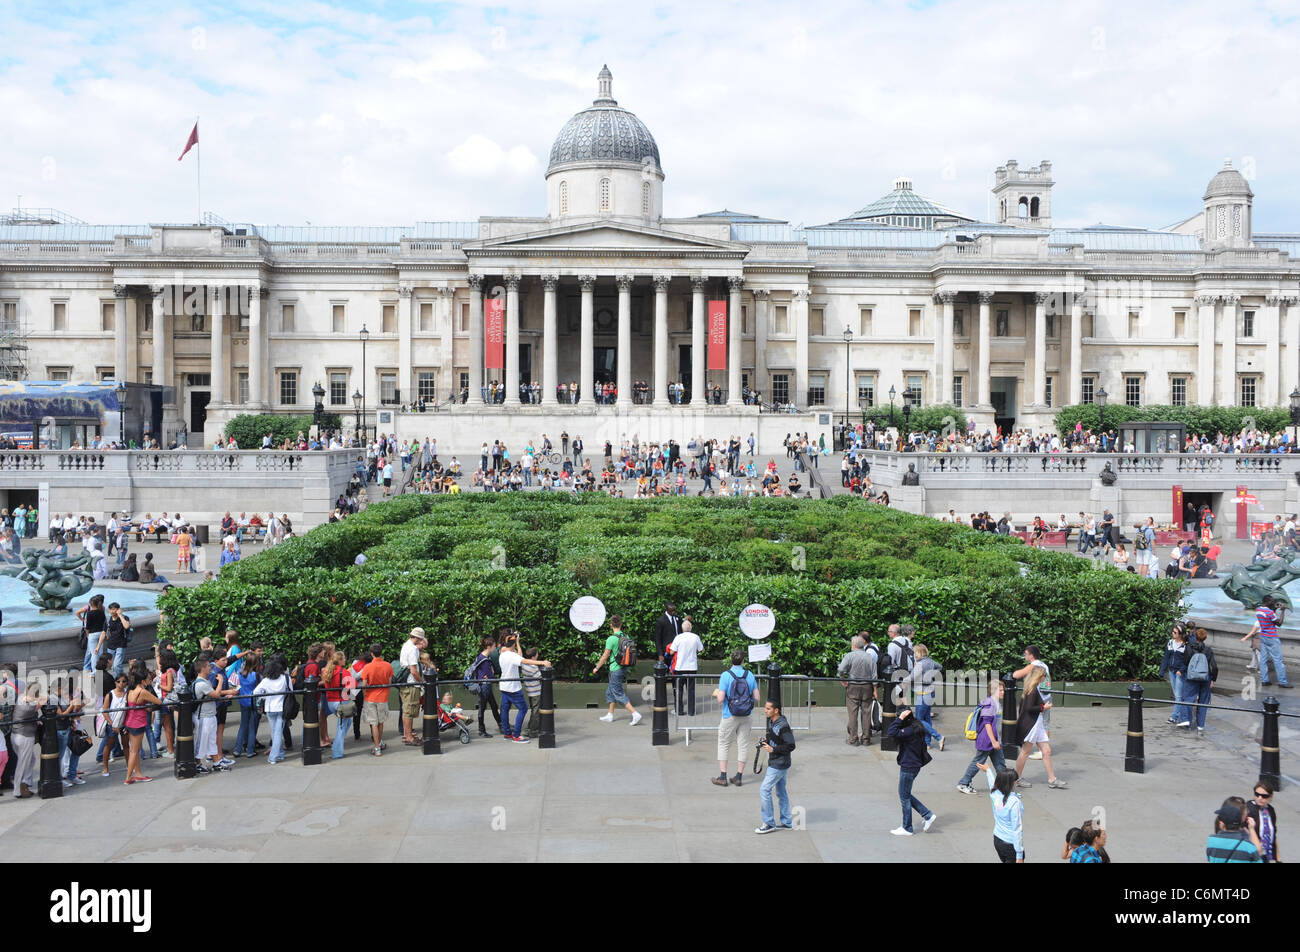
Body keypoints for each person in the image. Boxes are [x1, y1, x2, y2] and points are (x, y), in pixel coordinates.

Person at [1013, 651, 1067, 788]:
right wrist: (1044, 707)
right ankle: (1016, 778)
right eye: (1044, 676)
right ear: (1039, 676)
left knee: (1046, 751)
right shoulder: (1033, 690)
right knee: (1025, 752)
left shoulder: (1032, 688)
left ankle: (1052, 779)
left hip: (1036, 723)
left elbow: (1024, 708)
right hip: (1032, 724)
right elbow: (1030, 708)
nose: (1045, 679)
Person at [887, 704, 938, 836]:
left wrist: (899, 719)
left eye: (899, 716)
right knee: (906, 794)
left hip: (909, 766)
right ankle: (927, 815)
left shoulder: (909, 730)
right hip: (913, 765)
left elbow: (891, 732)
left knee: (904, 796)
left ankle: (907, 827)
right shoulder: (916, 725)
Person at [713, 649, 759, 787]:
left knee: (724, 744)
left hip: (729, 715)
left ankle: (723, 776)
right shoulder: (749, 675)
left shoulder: (726, 675)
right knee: (743, 745)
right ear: (743, 661)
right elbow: (757, 697)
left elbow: (721, 699)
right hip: (746, 714)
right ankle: (738, 776)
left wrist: (717, 694)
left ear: (731, 660)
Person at [754, 698, 796, 834]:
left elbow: (790, 745)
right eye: (765, 708)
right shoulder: (772, 721)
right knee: (781, 792)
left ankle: (769, 823)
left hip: (779, 764)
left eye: (768, 709)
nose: (765, 711)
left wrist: (774, 750)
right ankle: (787, 821)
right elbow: (776, 739)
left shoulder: (783, 725)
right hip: (778, 762)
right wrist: (766, 741)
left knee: (764, 790)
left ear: (776, 710)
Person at [957, 679, 1007, 794]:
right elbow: (987, 723)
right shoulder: (990, 704)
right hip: (987, 740)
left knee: (1000, 763)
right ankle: (964, 783)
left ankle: (1004, 786)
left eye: (1003, 690)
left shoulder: (996, 703)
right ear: (993, 691)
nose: (1003, 692)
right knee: (979, 761)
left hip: (994, 740)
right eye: (1000, 690)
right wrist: (994, 741)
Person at [593, 614, 641, 725]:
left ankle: (635, 714)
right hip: (623, 668)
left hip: (615, 669)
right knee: (610, 691)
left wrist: (596, 667)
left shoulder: (611, 639)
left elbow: (605, 656)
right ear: (621, 624)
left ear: (611, 625)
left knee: (618, 693)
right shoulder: (626, 636)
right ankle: (610, 715)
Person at [976, 762, 1024, 862]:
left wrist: (988, 771)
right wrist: (1019, 854)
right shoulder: (1014, 802)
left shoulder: (995, 794)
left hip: (998, 840)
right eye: (1016, 780)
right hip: (1011, 844)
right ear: (1011, 783)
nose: (1016, 782)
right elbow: (1017, 828)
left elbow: (991, 784)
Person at [837, 633, 878, 746]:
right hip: (867, 687)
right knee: (866, 713)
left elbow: (841, 669)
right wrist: (875, 690)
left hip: (853, 686)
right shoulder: (870, 657)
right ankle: (866, 739)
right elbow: (874, 676)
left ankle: (853, 739)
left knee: (852, 713)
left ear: (854, 645)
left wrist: (842, 679)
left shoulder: (849, 656)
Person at [1243, 595, 1291, 688]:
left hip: (1263, 636)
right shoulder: (1270, 612)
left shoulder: (1259, 610)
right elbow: (1279, 623)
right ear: (1268, 602)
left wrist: (1275, 610)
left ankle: (1265, 680)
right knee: (1278, 660)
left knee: (1263, 660)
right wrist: (1283, 611)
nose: (1273, 603)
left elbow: (1269, 619)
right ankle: (1282, 682)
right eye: (1272, 601)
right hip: (1272, 638)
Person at [123, 667, 161, 784]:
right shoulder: (143, 692)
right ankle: (128, 778)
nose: (150, 680)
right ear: (143, 681)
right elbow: (158, 702)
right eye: (149, 678)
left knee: (135, 749)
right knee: (134, 751)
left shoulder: (130, 691)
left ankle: (138, 773)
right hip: (137, 723)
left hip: (129, 722)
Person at [358, 643, 394, 756]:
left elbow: (364, 684)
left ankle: (377, 747)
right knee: (381, 722)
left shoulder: (367, 667)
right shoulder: (388, 665)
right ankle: (380, 743)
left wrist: (365, 694)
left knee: (373, 723)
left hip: (370, 697)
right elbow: (389, 683)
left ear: (372, 654)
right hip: (383, 697)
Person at [253, 658, 290, 764]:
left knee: (275, 732)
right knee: (278, 732)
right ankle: (275, 756)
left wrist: (265, 697)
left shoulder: (265, 681)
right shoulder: (285, 678)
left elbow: (256, 692)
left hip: (270, 708)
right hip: (282, 708)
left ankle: (278, 754)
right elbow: (290, 690)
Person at [908, 643, 944, 750]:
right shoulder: (930, 661)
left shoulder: (920, 664)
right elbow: (940, 667)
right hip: (930, 692)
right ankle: (927, 743)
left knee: (919, 720)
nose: (914, 655)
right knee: (927, 719)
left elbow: (912, 677)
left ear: (919, 652)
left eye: (915, 652)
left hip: (923, 694)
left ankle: (939, 737)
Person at [1206, 798, 1262, 862]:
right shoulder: (1248, 845)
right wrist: (1251, 829)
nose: (1248, 812)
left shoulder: (1211, 840)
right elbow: (1258, 853)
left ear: (1221, 824)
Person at [497, 631, 529, 743]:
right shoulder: (511, 655)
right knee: (523, 708)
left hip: (504, 686)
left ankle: (507, 733)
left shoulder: (502, 652)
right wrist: (543, 663)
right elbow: (522, 659)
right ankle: (516, 735)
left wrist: (515, 640)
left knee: (505, 710)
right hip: (513, 688)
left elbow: (518, 657)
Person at [667, 619, 703, 717]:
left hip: (680, 667)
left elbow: (671, 652)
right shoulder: (696, 637)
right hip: (692, 667)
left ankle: (679, 711)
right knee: (691, 690)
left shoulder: (678, 637)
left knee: (679, 690)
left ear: (682, 629)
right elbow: (701, 649)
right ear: (690, 628)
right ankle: (691, 711)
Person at [1185, 628, 1218, 733]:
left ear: (1196, 636)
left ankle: (1187, 721)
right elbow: (1215, 667)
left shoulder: (1190, 647)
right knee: (1203, 702)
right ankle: (1200, 725)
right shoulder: (1208, 650)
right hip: (1205, 678)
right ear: (1205, 638)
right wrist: (1213, 679)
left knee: (1189, 699)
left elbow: (1185, 661)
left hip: (1192, 677)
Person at [398, 628, 426, 746]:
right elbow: (414, 671)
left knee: (406, 711)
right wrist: (422, 682)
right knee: (410, 711)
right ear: (419, 638)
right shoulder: (413, 649)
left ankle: (407, 734)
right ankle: (409, 737)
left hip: (405, 684)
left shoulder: (406, 645)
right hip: (411, 684)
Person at [470, 636, 502, 737]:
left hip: (485, 685)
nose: (495, 648)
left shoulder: (481, 656)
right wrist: (491, 672)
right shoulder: (485, 660)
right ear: (488, 646)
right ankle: (482, 730)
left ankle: (501, 725)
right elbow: (491, 675)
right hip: (484, 687)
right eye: (494, 646)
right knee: (483, 708)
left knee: (493, 706)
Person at [1160, 625, 1191, 727]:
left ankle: (1174, 716)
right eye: (1173, 632)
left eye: (1175, 632)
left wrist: (1181, 670)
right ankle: (1181, 716)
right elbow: (1166, 657)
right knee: (1177, 695)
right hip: (1171, 671)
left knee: (1178, 696)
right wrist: (1162, 670)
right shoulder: (1170, 642)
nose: (1173, 634)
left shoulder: (1185, 645)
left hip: (1179, 673)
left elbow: (1187, 660)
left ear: (1180, 634)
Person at [1245, 781, 1280, 862]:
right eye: (1257, 794)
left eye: (1264, 796)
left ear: (1270, 797)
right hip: (1252, 854)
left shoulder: (1270, 810)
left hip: (1266, 855)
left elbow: (1273, 835)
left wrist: (1278, 858)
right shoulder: (1248, 808)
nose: (1259, 798)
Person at [78, 594, 107, 672]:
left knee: (93, 653)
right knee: (100, 652)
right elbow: (104, 623)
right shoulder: (102, 611)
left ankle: (94, 671)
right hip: (101, 634)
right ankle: (100, 669)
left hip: (92, 634)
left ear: (91, 604)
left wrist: (88, 635)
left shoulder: (90, 613)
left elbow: (88, 627)